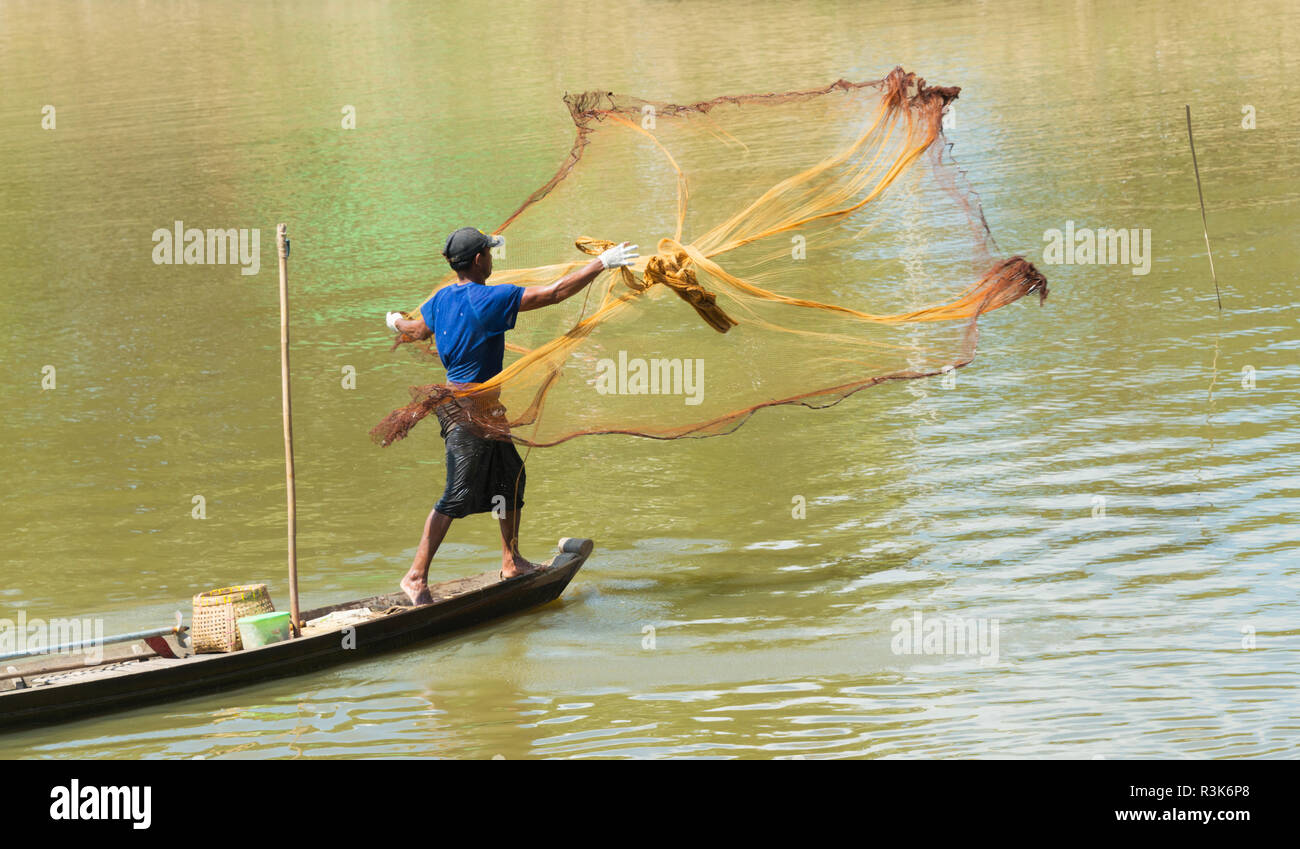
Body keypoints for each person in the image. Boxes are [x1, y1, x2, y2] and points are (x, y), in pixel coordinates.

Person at [387, 227, 638, 604]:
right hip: (465, 413)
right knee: (456, 494)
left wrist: (393, 323)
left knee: (511, 478)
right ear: (478, 261)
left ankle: (511, 560)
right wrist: (602, 263)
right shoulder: (490, 299)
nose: (491, 258)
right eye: (488, 253)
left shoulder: (440, 300)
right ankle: (415, 576)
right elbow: (555, 293)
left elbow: (417, 330)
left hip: (485, 410)